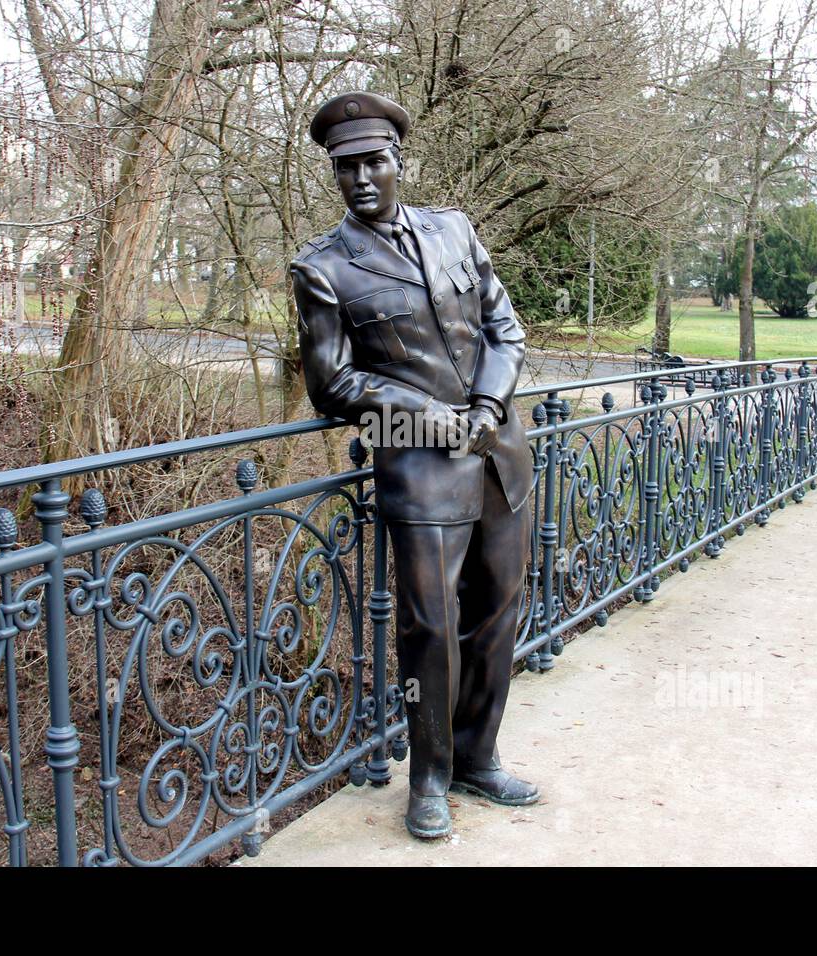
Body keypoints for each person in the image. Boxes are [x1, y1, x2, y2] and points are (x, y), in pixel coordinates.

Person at [290, 91, 539, 840]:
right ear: (334, 175)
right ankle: (427, 779)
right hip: (422, 471)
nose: (362, 179)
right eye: (346, 168)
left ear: (399, 162)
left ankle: (477, 757)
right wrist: (431, 417)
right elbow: (332, 385)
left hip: (498, 457)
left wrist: (489, 409)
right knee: (430, 629)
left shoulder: (455, 230)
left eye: (373, 162)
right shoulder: (323, 267)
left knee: (498, 614)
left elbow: (505, 327)